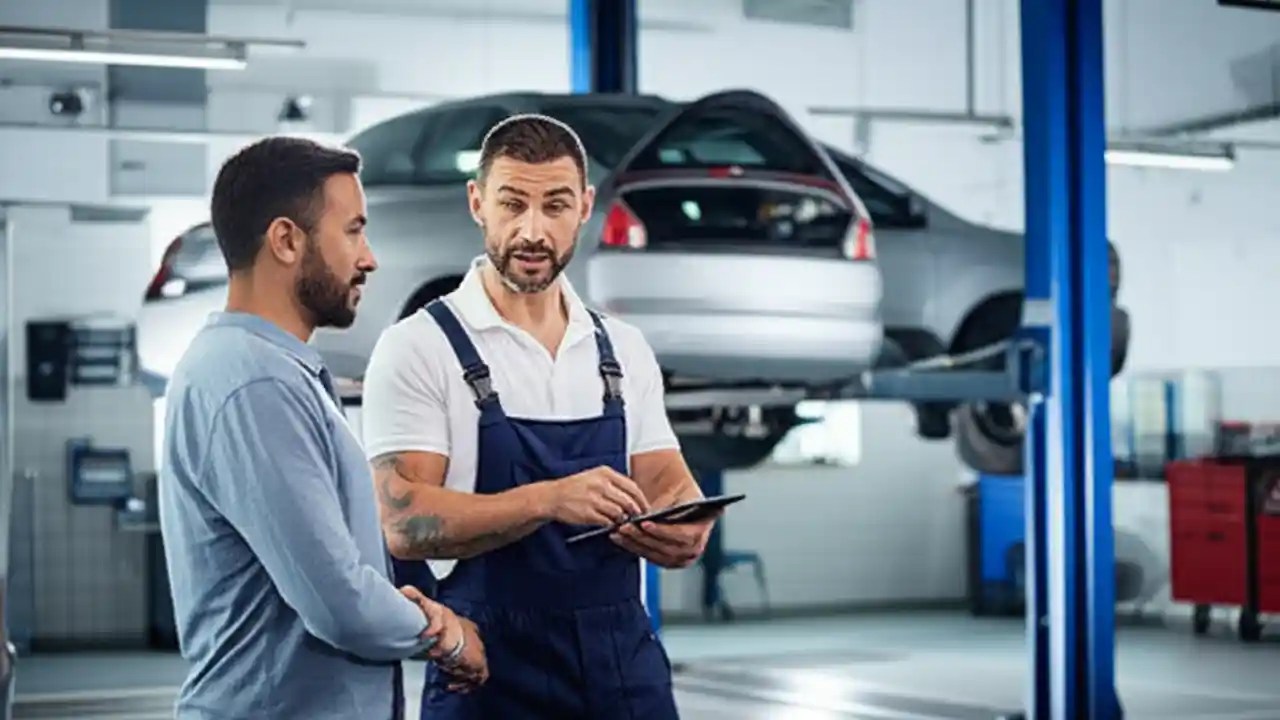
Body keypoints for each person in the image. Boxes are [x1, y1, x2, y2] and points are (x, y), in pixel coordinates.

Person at [360, 114, 719, 719]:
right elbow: (403, 520)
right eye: (512, 204)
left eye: (554, 206)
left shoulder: (622, 349)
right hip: (488, 667)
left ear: (583, 207)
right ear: (477, 203)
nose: (532, 230)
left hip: (621, 662)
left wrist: (687, 523)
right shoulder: (420, 346)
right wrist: (548, 500)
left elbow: (666, 477)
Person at [157, 136, 488, 720]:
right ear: (287, 240)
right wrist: (445, 632)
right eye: (353, 231)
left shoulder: (277, 371)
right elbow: (339, 603)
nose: (369, 257)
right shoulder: (255, 384)